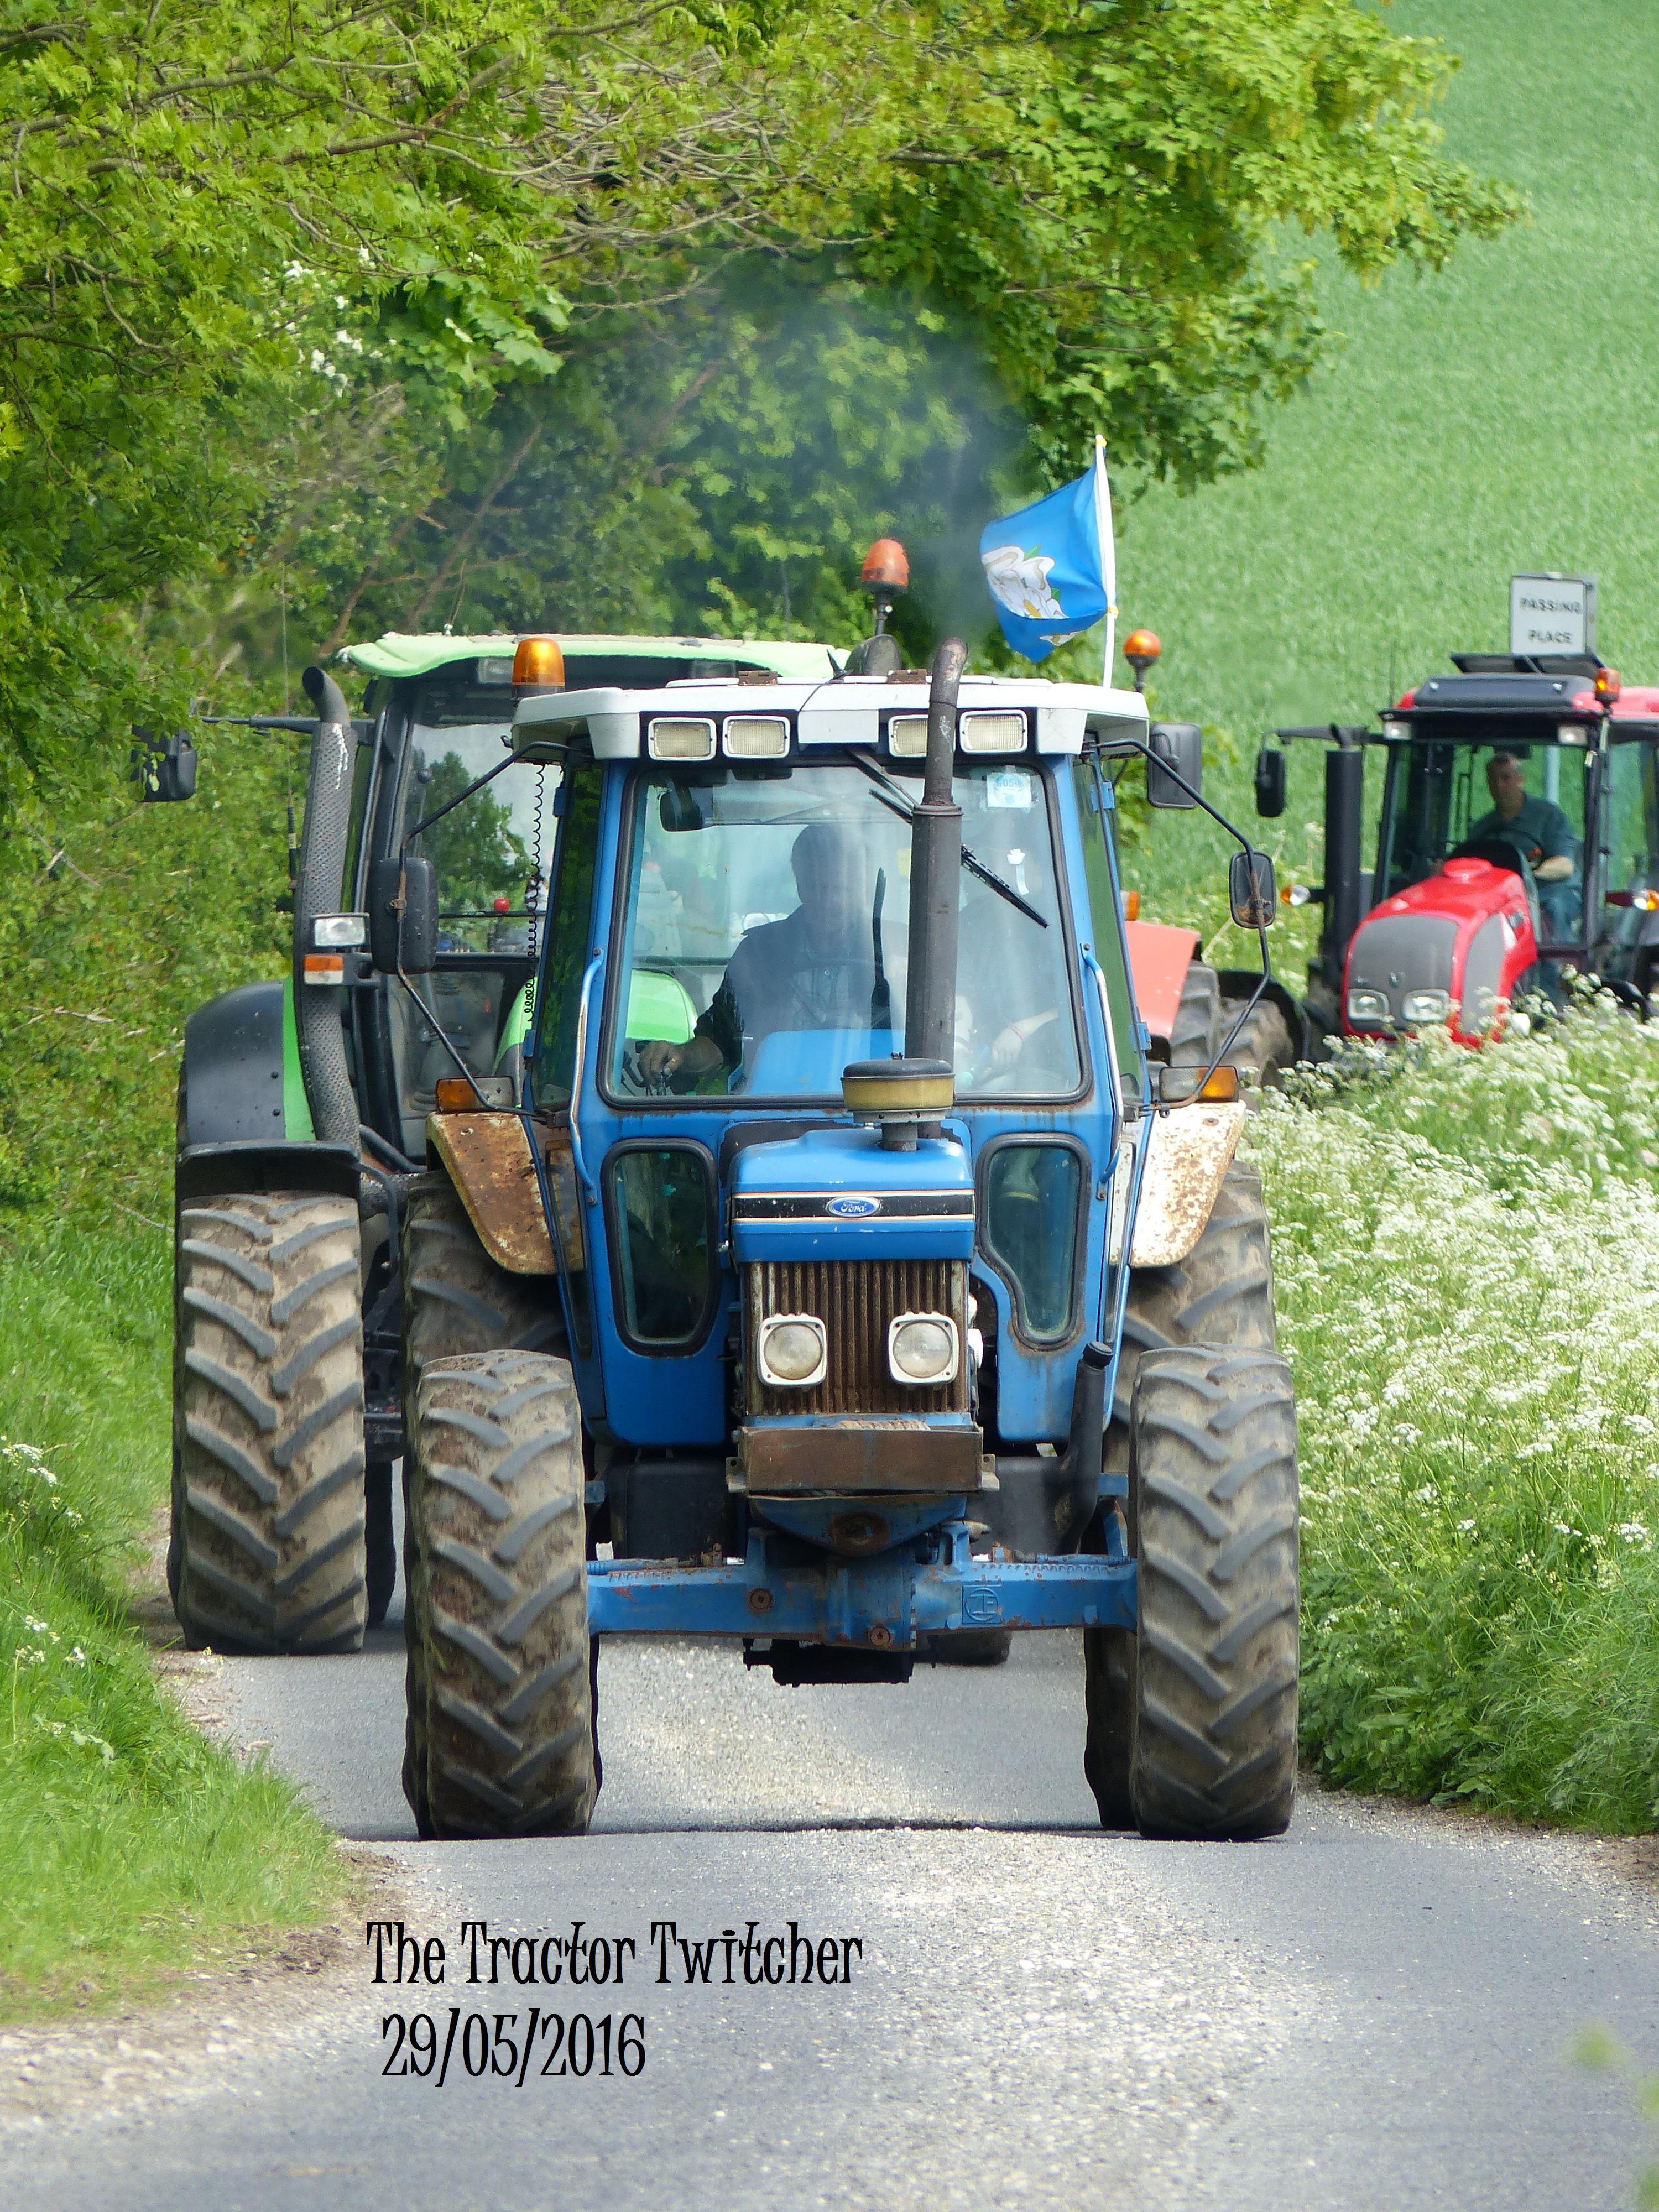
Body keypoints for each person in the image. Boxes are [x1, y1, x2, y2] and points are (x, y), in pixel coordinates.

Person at [638, 822, 885, 1087]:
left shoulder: (896, 954)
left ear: (861, 887)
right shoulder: (759, 953)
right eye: (816, 887)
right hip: (773, 1105)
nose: (829, 901)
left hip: (878, 1106)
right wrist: (680, 1055)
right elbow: (720, 1041)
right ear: (799, 883)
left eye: (840, 888)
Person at [1464, 750, 1580, 938]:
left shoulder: (1548, 816)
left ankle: (1553, 966)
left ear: (1520, 780)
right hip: (1500, 896)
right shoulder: (1482, 829)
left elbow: (1565, 866)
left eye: (1506, 778)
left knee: (1556, 906)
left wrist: (1527, 875)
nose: (1499, 786)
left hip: (1546, 891)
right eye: (1493, 780)